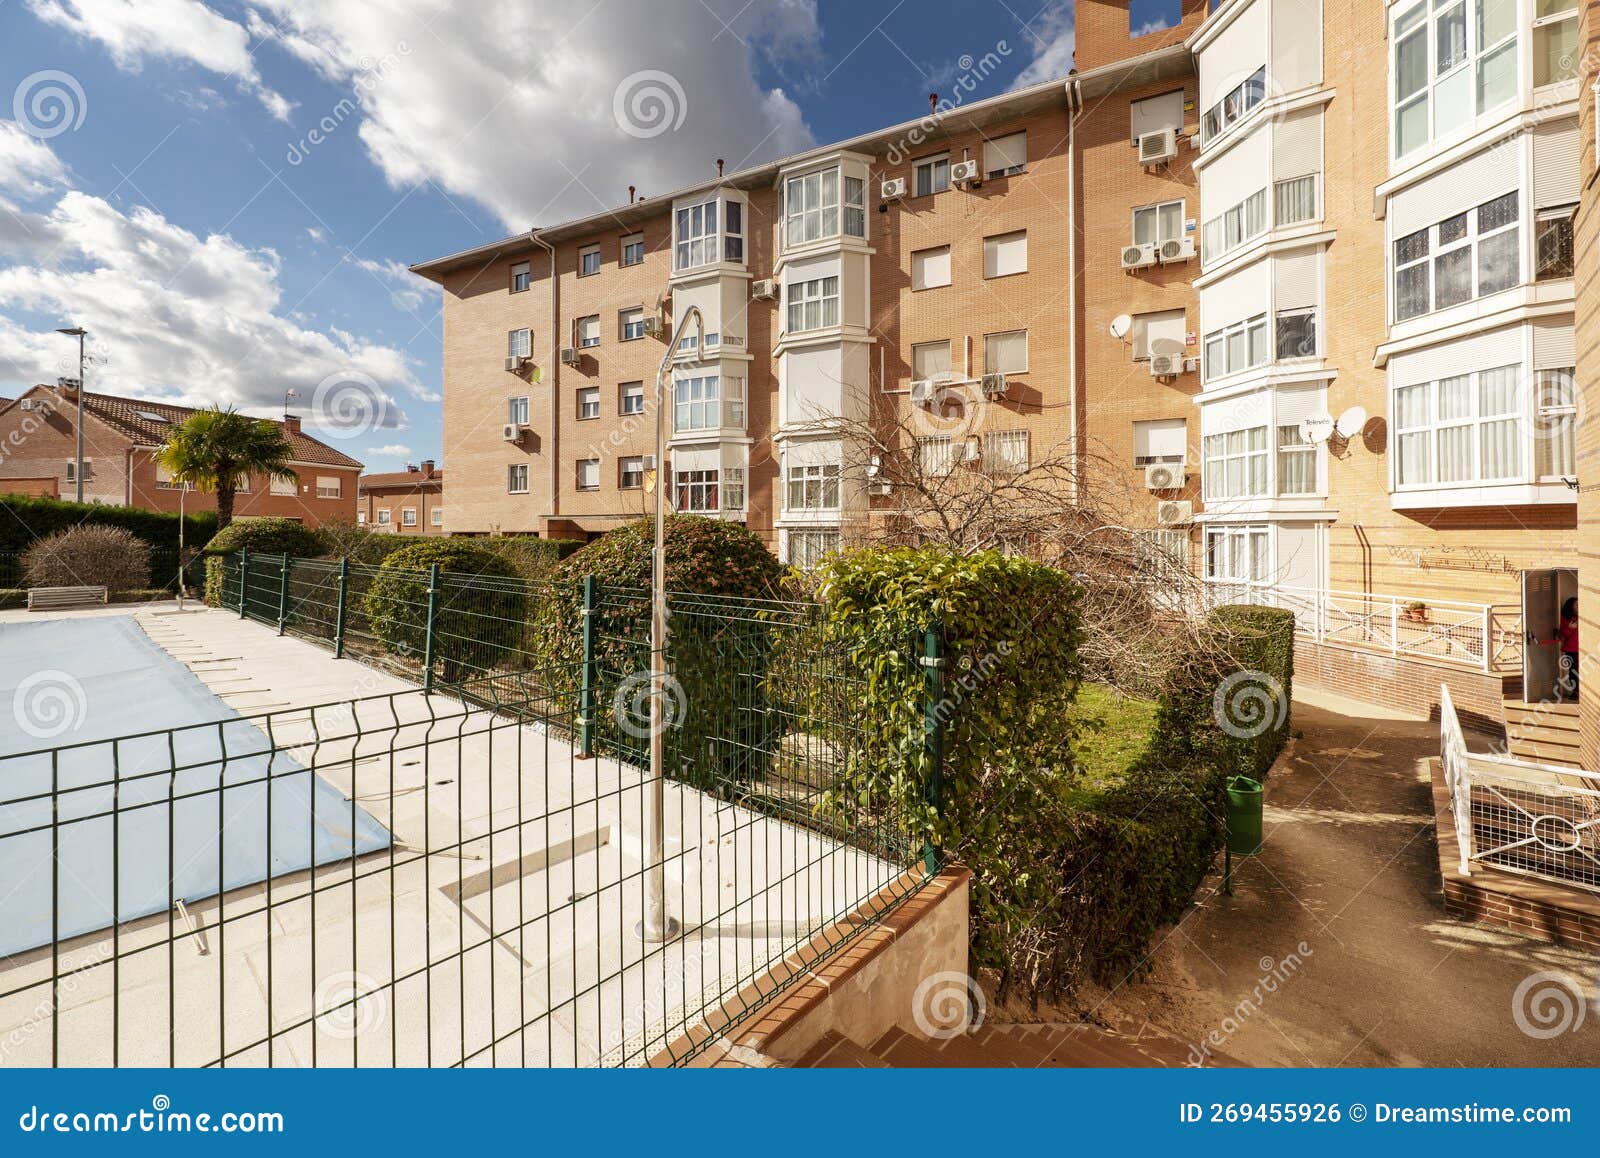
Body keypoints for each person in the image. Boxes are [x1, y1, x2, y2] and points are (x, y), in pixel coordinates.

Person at [1558, 597, 1579, 701]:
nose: (1579, 607)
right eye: (1576, 605)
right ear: (1571, 606)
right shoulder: (1565, 618)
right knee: (1573, 672)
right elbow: (1563, 635)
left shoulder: (1582, 617)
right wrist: (1571, 628)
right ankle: (1575, 692)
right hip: (1571, 650)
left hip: (1582, 650)